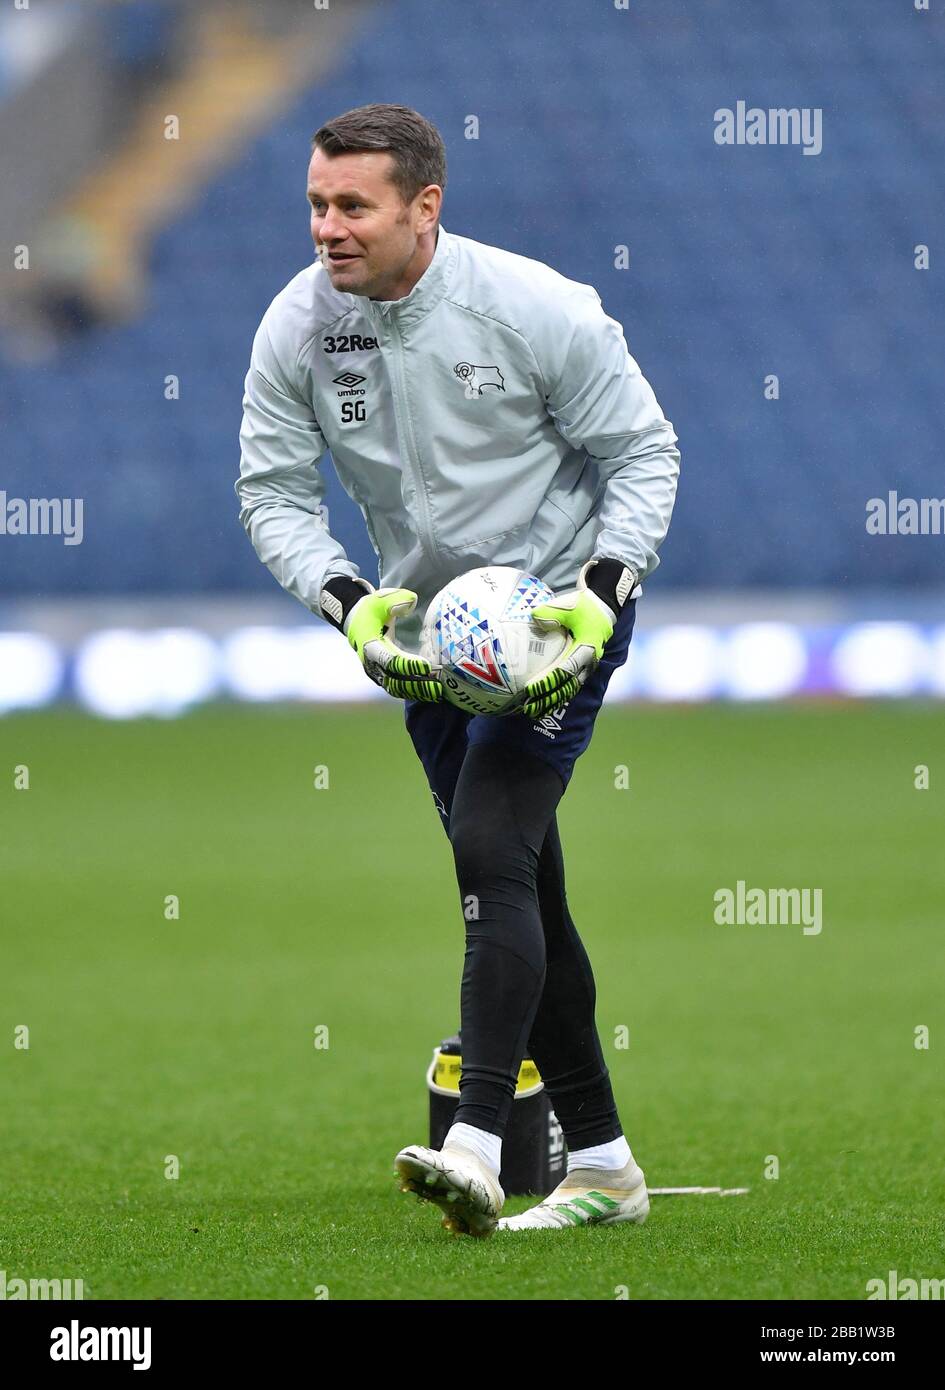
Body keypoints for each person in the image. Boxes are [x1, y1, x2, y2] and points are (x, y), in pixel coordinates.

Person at [236, 102, 679, 1237]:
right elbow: (273, 493)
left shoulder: (532, 307)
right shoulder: (297, 328)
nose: (328, 228)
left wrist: (599, 598)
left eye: (352, 206)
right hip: (429, 645)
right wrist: (350, 605)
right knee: (524, 884)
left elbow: (642, 450)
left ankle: (478, 1144)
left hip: (549, 622)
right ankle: (607, 1171)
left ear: (424, 207)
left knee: (490, 847)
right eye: (316, 205)